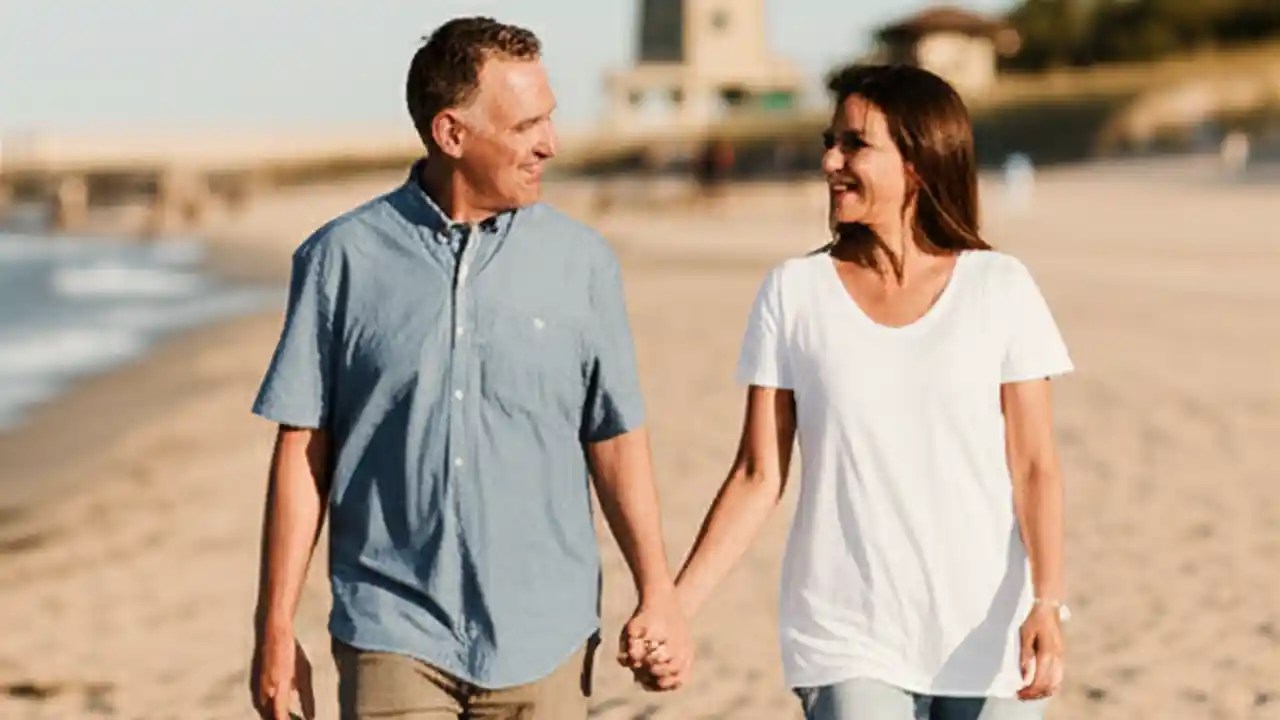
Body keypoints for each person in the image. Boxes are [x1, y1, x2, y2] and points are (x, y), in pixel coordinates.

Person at [248, 17, 690, 720]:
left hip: (544, 638)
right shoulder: (339, 260)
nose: (551, 142)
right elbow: (304, 451)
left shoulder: (583, 266)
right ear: (451, 134)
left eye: (549, 119)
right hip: (390, 630)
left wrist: (657, 593)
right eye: (526, 126)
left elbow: (615, 441)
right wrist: (273, 630)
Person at [623, 64, 1074, 719]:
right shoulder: (794, 293)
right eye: (829, 142)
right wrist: (676, 607)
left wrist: (1048, 603)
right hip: (848, 635)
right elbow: (758, 474)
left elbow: (1035, 467)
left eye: (855, 144)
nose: (831, 160)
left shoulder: (1000, 288)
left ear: (918, 164)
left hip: (991, 632)